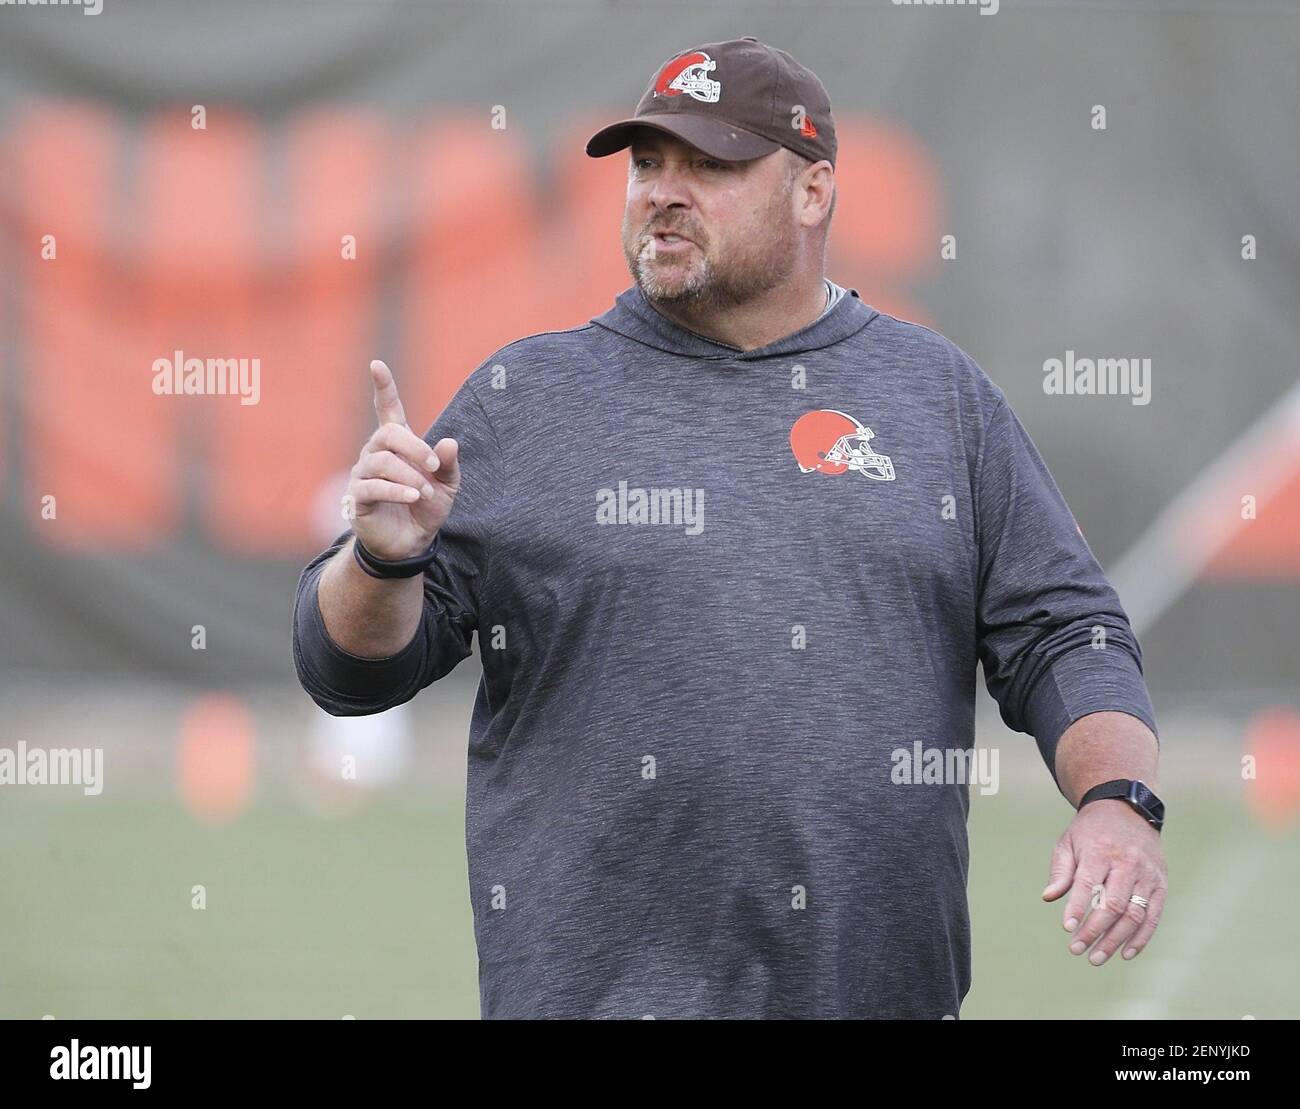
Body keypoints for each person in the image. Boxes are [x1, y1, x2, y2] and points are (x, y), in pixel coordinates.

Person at [292, 35, 1167, 1019]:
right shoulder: (523, 401)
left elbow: (1065, 629)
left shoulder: (939, 401)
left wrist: (1116, 799)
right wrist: (381, 558)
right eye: (647, 162)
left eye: (710, 164)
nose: (665, 190)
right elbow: (349, 673)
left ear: (813, 191)